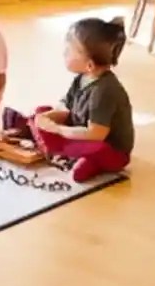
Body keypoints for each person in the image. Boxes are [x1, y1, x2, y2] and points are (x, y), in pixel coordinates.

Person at [27, 17, 134, 183]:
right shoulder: (82, 79)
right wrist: (48, 118)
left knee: (93, 155)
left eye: (69, 50)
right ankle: (61, 150)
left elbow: (96, 134)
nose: (64, 53)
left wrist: (57, 129)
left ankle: (65, 153)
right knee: (39, 112)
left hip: (107, 148)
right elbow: (66, 108)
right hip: (79, 131)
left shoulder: (104, 91)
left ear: (89, 65)